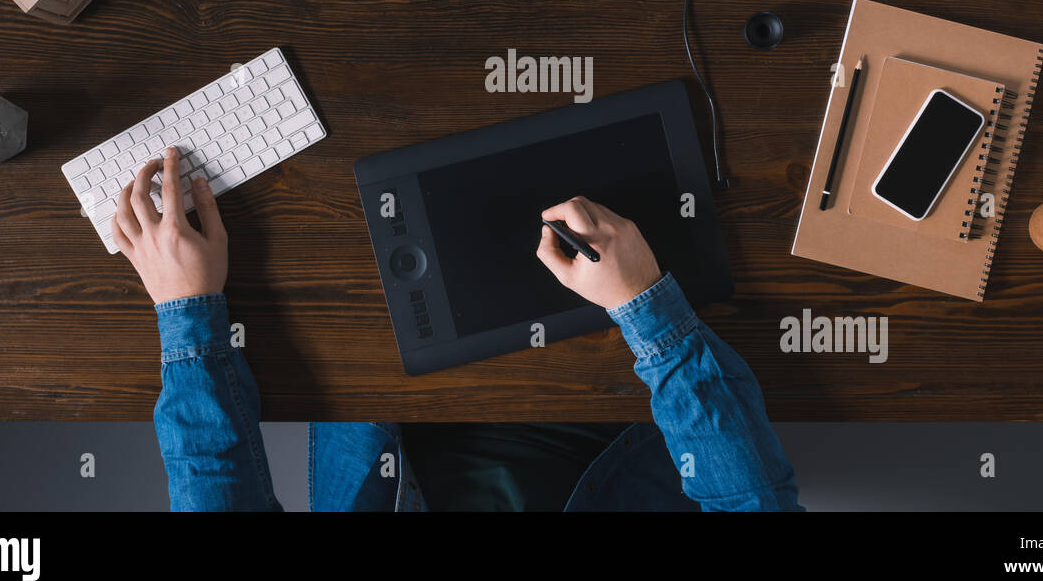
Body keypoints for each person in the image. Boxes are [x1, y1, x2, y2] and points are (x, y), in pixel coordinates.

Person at [114, 147, 802, 512]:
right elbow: (754, 502)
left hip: (379, 381)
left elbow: (216, 488)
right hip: (615, 393)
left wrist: (188, 310)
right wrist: (645, 304)